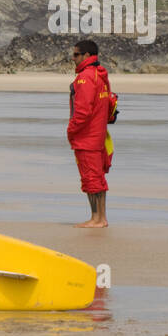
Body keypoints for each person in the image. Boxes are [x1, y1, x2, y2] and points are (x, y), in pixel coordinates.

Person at [67, 39, 113, 228]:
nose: (73, 58)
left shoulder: (85, 77)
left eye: (76, 54)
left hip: (87, 137)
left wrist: (71, 130)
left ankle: (96, 219)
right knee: (98, 178)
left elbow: (83, 111)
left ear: (87, 55)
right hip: (99, 135)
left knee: (91, 178)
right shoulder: (100, 75)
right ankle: (101, 217)